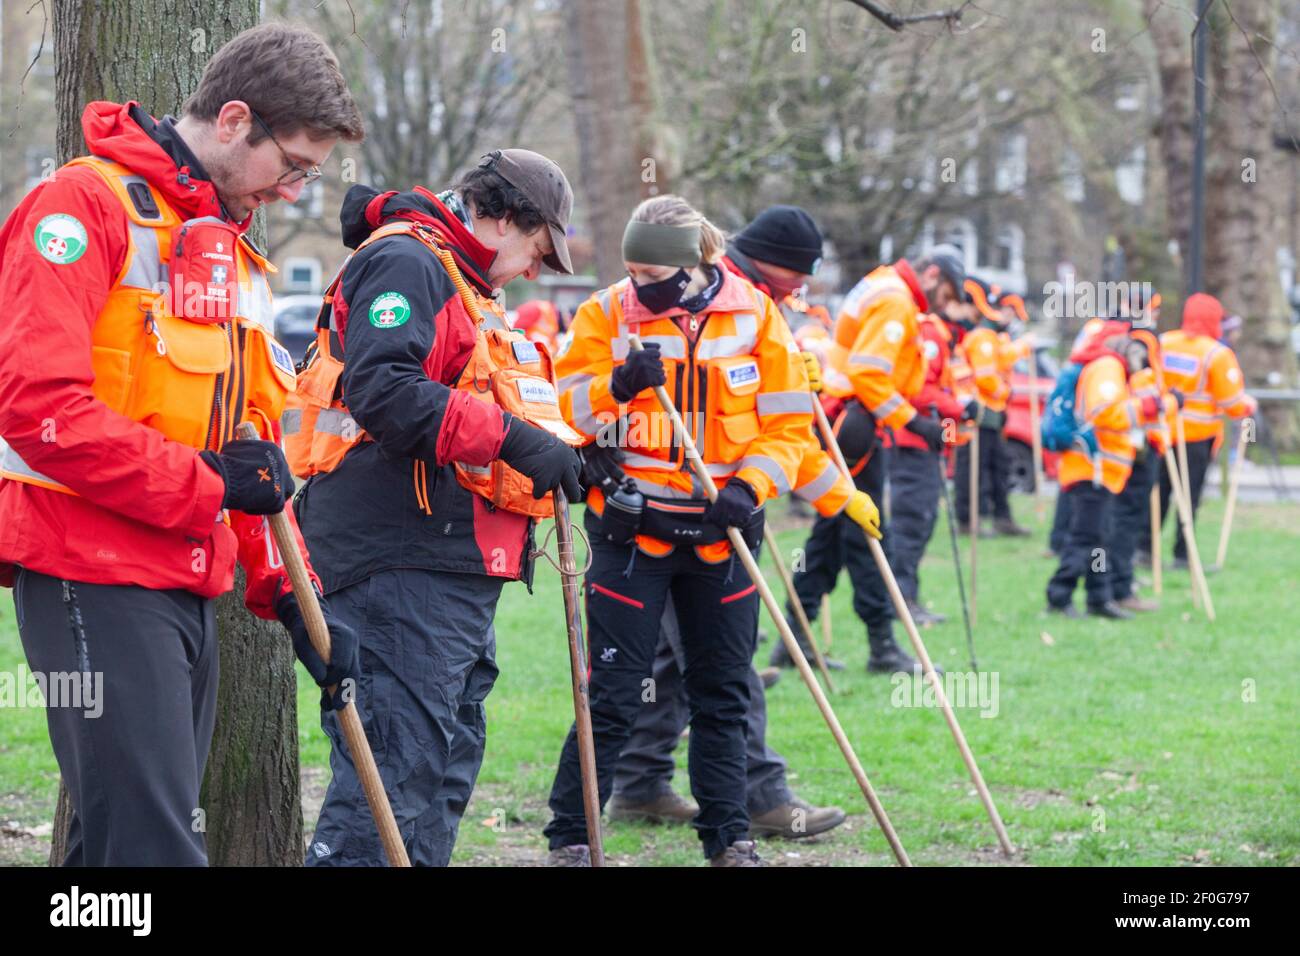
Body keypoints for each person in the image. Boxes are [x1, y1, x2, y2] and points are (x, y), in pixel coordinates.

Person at [0, 24, 365, 865]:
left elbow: (251, 451)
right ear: (236, 119)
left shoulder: (228, 251)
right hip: (86, 571)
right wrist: (206, 481)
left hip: (183, 574)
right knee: (151, 848)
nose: (296, 193)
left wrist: (291, 595)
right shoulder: (79, 206)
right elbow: (36, 407)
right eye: (295, 167)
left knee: (113, 846)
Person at [286, 150, 582, 866]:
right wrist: (514, 440)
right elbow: (386, 392)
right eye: (540, 250)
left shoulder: (466, 282)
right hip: (395, 560)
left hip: (448, 563)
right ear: (506, 216)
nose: (538, 272)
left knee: (438, 766)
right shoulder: (409, 263)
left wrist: (569, 452)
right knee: (394, 766)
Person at [547, 195, 811, 866]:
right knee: (611, 695)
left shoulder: (755, 315)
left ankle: (730, 839)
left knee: (724, 695)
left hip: (723, 537)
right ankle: (572, 838)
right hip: (632, 534)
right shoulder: (606, 313)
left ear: (695, 266)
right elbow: (562, 410)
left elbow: (789, 424)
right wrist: (617, 386)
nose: (638, 289)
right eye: (631, 273)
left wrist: (751, 486)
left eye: (651, 278)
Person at [606, 206, 873, 840]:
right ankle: (757, 794)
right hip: (657, 515)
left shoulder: (760, 310)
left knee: (679, 661)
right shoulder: (694, 302)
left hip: (723, 510)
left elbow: (781, 430)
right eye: (793, 281)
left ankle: (640, 782)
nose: (797, 294)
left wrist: (835, 494)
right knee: (725, 666)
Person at [781, 248, 964, 676]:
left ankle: (794, 637)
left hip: (847, 422)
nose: (944, 303)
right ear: (933, 273)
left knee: (828, 539)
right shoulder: (896, 300)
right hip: (855, 426)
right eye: (947, 292)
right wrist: (916, 424)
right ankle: (881, 644)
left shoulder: (883, 286)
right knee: (865, 534)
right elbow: (868, 373)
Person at [1045, 322, 1179, 618]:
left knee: (1099, 539)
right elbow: (1105, 413)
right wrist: (1151, 406)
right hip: (1091, 468)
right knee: (1085, 537)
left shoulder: (1110, 367)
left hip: (1102, 471)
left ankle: (1098, 597)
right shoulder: (1107, 367)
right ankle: (1059, 595)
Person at [1143, 293, 1256, 570]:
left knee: (1157, 493)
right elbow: (1231, 402)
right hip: (1197, 437)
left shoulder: (1163, 342)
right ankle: (1183, 555)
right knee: (1189, 497)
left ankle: (1142, 549)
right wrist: (1246, 406)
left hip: (1162, 432)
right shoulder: (1216, 353)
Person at [954, 277, 1031, 537]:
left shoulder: (996, 338)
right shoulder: (983, 337)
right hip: (979, 413)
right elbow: (985, 377)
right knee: (972, 469)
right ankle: (968, 520)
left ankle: (1002, 518)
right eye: (1011, 312)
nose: (1012, 319)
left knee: (998, 467)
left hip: (994, 414)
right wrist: (1006, 391)